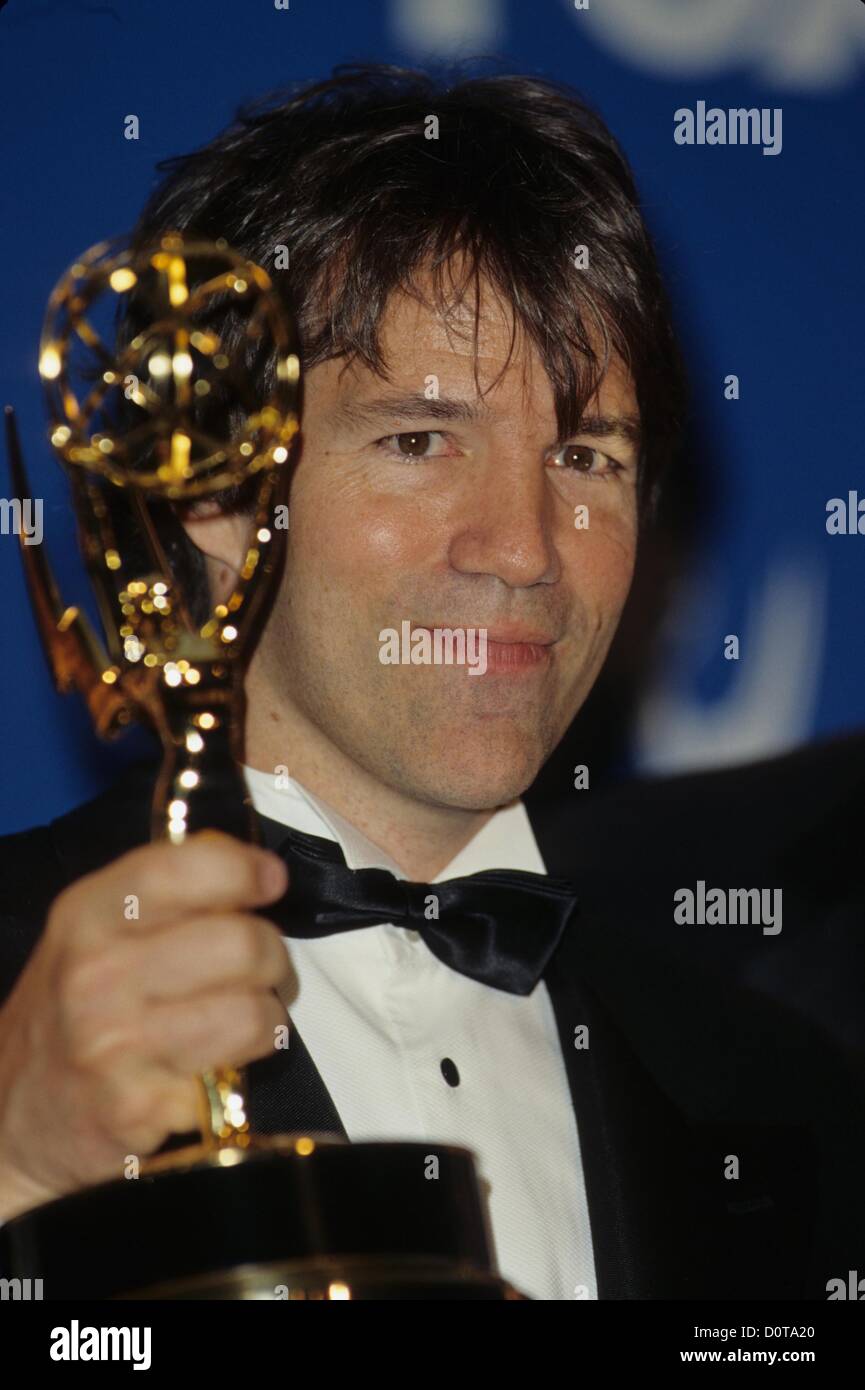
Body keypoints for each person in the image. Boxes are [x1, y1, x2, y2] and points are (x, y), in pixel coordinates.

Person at [0, 65, 862, 1302]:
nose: (522, 545)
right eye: (418, 441)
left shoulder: (790, 1098)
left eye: (583, 454)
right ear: (220, 491)